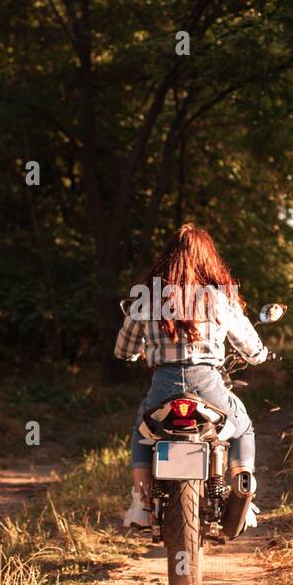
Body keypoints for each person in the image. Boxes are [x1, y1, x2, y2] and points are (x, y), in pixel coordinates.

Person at [113, 223, 269, 536]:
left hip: (164, 387)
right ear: (208, 259)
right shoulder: (220, 300)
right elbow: (251, 349)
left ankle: (142, 504)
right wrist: (260, 354)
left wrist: (137, 352)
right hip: (209, 385)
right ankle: (243, 489)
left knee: (143, 430)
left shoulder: (147, 299)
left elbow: (123, 350)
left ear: (167, 259)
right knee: (242, 426)